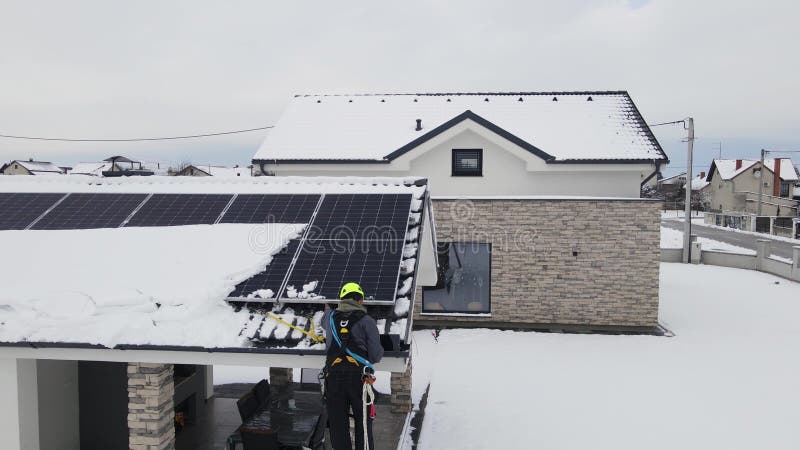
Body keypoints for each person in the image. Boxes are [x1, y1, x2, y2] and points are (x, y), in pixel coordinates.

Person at [322, 282, 384, 450]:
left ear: (341, 300)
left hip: (334, 378)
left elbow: (325, 324)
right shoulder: (366, 321)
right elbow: (376, 355)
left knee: (338, 425)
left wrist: (328, 310)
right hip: (360, 379)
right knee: (363, 424)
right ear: (360, 301)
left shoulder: (330, 319)